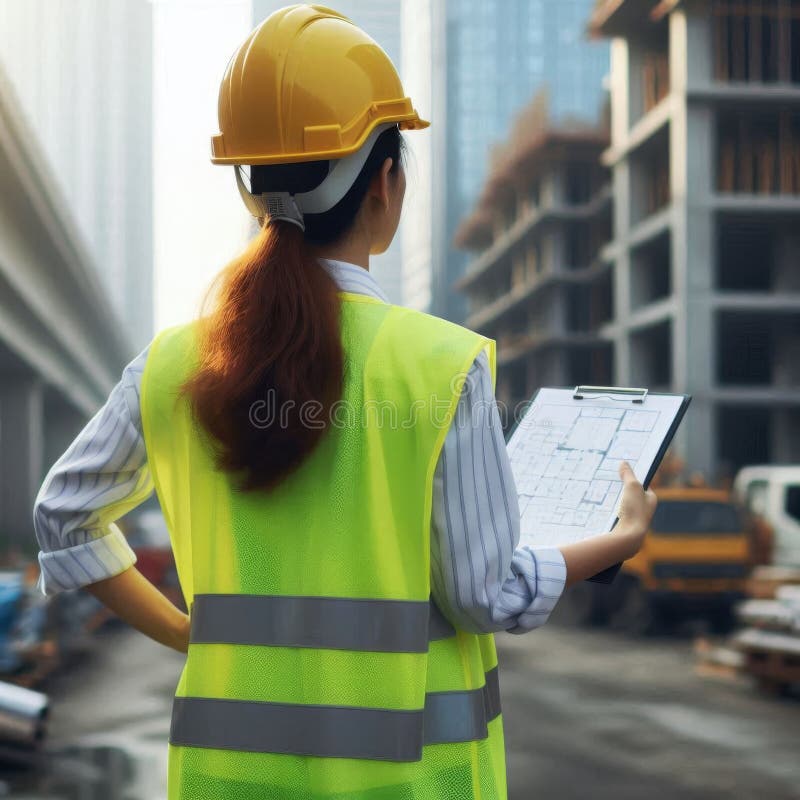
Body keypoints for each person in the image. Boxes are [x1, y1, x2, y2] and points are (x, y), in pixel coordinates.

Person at [33, 6, 657, 799]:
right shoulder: (439, 365)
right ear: (386, 183)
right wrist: (618, 537)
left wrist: (189, 634)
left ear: (249, 188)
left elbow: (64, 514)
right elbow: (484, 593)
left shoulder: (172, 366)